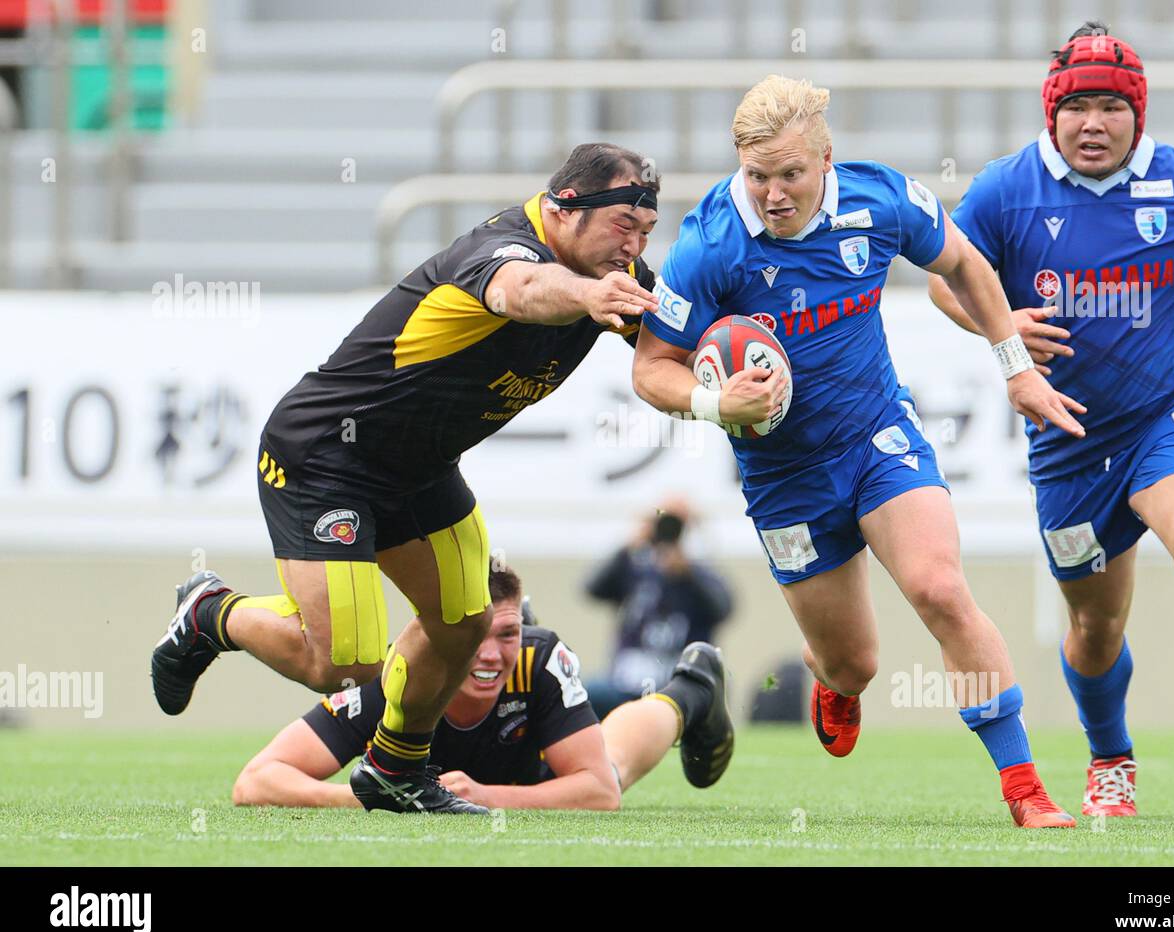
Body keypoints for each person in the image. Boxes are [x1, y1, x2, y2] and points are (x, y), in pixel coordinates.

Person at [632, 74, 1086, 828]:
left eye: (790, 174)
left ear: (826, 160)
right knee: (856, 662)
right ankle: (834, 681)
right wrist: (715, 403)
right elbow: (651, 368)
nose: (773, 194)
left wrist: (1016, 369)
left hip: (878, 435)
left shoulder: (882, 201)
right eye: (757, 176)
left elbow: (967, 266)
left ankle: (1024, 788)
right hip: (783, 477)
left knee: (941, 590)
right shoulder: (710, 245)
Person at [152, 143, 662, 814]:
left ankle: (395, 768)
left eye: (647, 231)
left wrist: (730, 393)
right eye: (626, 222)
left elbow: (672, 353)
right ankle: (211, 614)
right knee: (344, 665)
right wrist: (591, 293)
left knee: (463, 622)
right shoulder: (506, 252)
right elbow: (524, 290)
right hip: (326, 454)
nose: (634, 245)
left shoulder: (611, 272)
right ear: (566, 208)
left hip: (419, 467)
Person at [928, 23, 1174, 816]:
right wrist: (1001, 329)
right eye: (1077, 107)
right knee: (1096, 628)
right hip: (1065, 440)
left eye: (1111, 106)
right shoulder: (1004, 188)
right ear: (1051, 112)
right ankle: (1110, 759)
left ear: (1138, 112)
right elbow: (945, 281)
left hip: (1166, 412)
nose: (1093, 123)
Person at [231, 564, 734, 810]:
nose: (493, 655)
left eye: (508, 633)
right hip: (460, 776)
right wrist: (376, 797)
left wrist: (482, 796)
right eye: (476, 637)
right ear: (438, 636)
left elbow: (599, 793)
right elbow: (254, 781)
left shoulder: (535, 661)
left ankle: (691, 690)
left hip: (532, 778)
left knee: (613, 765)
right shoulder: (394, 678)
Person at [583, 497, 733, 718]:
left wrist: (689, 571)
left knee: (709, 698)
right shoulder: (634, 569)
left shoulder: (700, 575)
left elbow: (724, 608)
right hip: (625, 682)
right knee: (586, 694)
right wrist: (630, 545)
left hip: (678, 684)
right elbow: (592, 589)